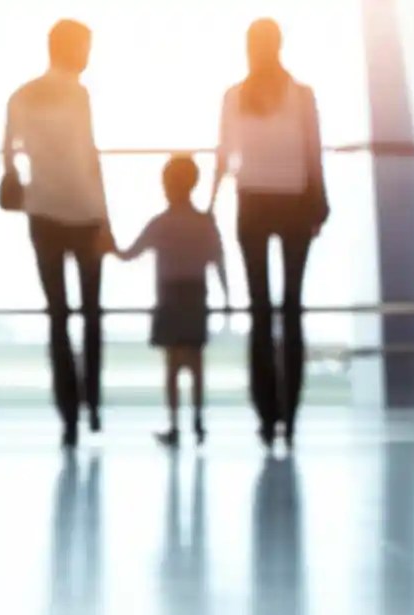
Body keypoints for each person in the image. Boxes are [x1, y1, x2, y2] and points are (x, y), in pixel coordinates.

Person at [207, 18, 329, 449]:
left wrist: (209, 202)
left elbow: (224, 154)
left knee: (261, 311)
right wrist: (321, 199)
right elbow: (313, 152)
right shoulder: (300, 95)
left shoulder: (236, 97)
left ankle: (267, 414)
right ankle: (288, 414)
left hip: (254, 201)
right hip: (294, 199)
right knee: (290, 309)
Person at [2, 19, 113, 448]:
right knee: (91, 314)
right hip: (84, 212)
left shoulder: (22, 96)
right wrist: (106, 219)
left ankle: (68, 414)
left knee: (59, 317)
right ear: (69, 49)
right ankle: (93, 407)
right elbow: (89, 157)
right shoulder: (78, 95)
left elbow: (9, 155)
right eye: (85, 47)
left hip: (43, 212)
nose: (88, 56)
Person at [116, 155, 230, 446]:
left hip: (169, 296)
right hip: (195, 295)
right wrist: (228, 297)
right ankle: (198, 423)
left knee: (172, 366)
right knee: (196, 363)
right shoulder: (204, 223)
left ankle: (175, 425)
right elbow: (218, 260)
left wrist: (105, 243)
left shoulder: (161, 224)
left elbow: (129, 253)